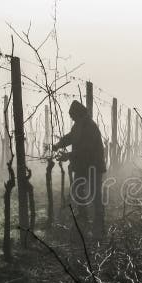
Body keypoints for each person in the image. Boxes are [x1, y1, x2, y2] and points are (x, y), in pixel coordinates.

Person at [52, 100, 105, 237]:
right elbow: (71, 137)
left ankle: (99, 224)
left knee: (95, 194)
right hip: (82, 165)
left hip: (93, 165)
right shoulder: (78, 125)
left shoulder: (90, 127)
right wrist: (58, 144)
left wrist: (69, 155)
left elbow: (86, 149)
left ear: (79, 114)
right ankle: (83, 218)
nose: (71, 118)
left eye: (73, 115)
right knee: (78, 191)